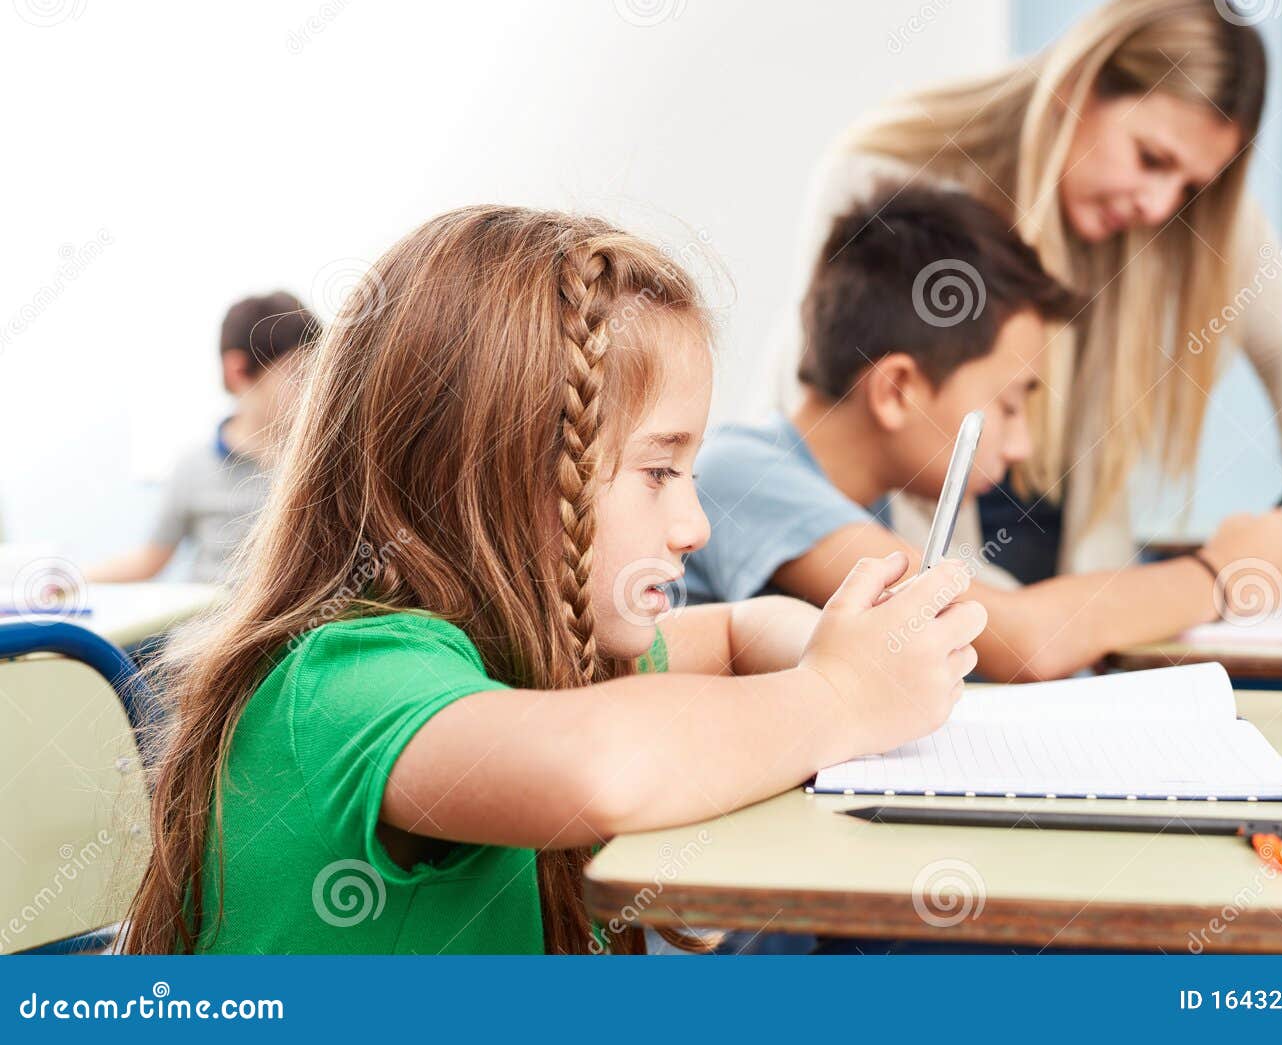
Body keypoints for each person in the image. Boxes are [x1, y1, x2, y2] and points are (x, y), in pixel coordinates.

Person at [122, 206, 984, 954]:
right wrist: (839, 697)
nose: (695, 527)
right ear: (498, 477)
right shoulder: (347, 677)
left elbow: (734, 631)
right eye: (658, 471)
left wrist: (842, 656)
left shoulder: (528, 656)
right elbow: (598, 768)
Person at [779, 0, 1282, 589]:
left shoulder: (1195, 216)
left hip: (1058, 587)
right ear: (1075, 87)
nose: (1162, 205)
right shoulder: (887, 176)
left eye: (1191, 187)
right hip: (892, 552)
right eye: (1151, 159)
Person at [689, 185, 1282, 681]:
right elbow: (1021, 639)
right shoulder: (742, 476)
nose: (1021, 448)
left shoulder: (863, 510)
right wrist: (1221, 572)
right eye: (1009, 406)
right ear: (897, 390)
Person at [88, 292, 321, 584]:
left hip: (287, 621)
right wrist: (69, 582)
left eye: (319, 373)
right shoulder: (193, 466)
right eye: (299, 372)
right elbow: (149, 560)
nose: (314, 388)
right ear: (237, 371)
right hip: (208, 622)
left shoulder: (320, 464)